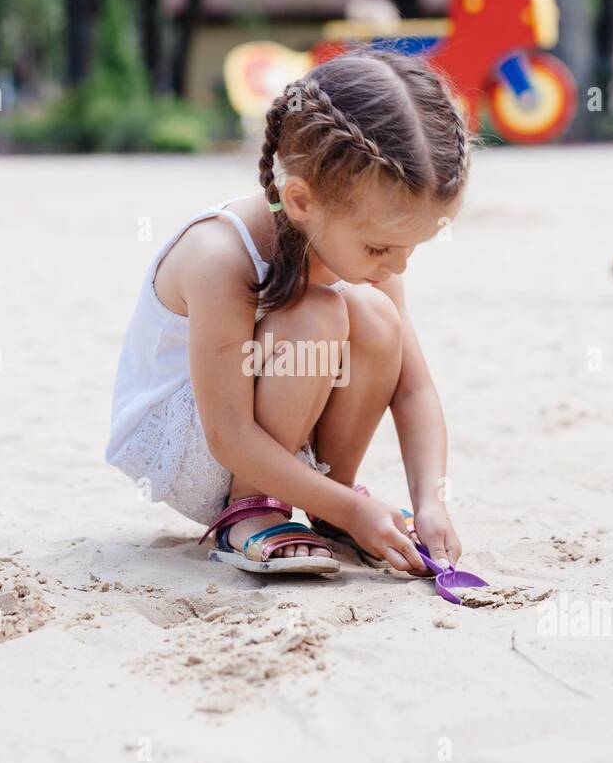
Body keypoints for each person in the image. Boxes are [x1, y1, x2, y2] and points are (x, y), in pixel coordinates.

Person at [106, 50, 469, 577]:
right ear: (300, 200)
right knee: (315, 314)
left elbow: (412, 390)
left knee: (374, 316)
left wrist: (431, 500)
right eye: (380, 249)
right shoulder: (220, 256)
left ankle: (330, 501)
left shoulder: (372, 246)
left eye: (413, 246)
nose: (399, 263)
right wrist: (358, 510)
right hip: (200, 443)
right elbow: (226, 434)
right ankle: (250, 509)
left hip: (274, 437)